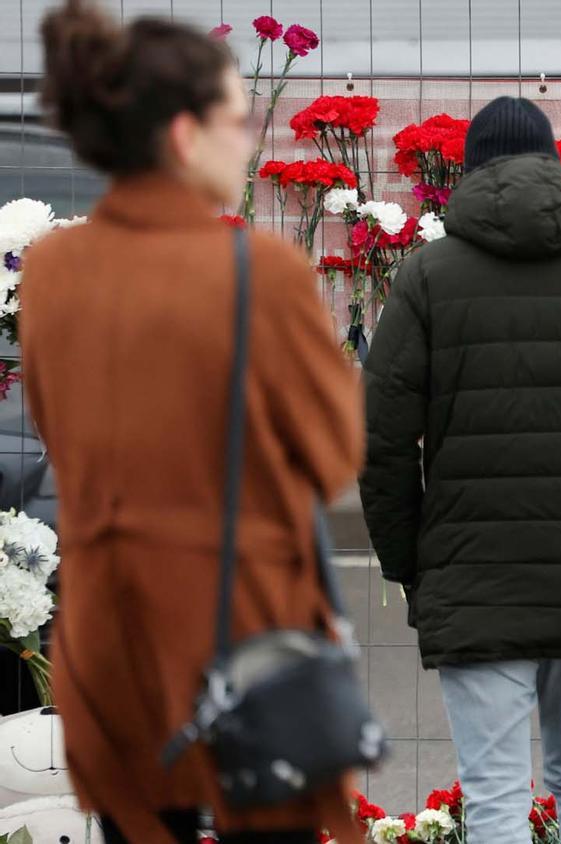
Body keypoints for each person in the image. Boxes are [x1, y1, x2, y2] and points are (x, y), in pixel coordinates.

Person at [21, 3, 364, 842]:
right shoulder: (259, 273)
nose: (247, 139)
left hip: (109, 651)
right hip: (242, 645)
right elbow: (332, 456)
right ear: (183, 134)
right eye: (235, 118)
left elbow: (59, 431)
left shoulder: (52, 271)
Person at [361, 95, 561, 842]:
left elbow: (381, 440)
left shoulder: (425, 278)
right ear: (558, 169)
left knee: (495, 795)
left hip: (472, 577)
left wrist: (414, 565)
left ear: (469, 172)